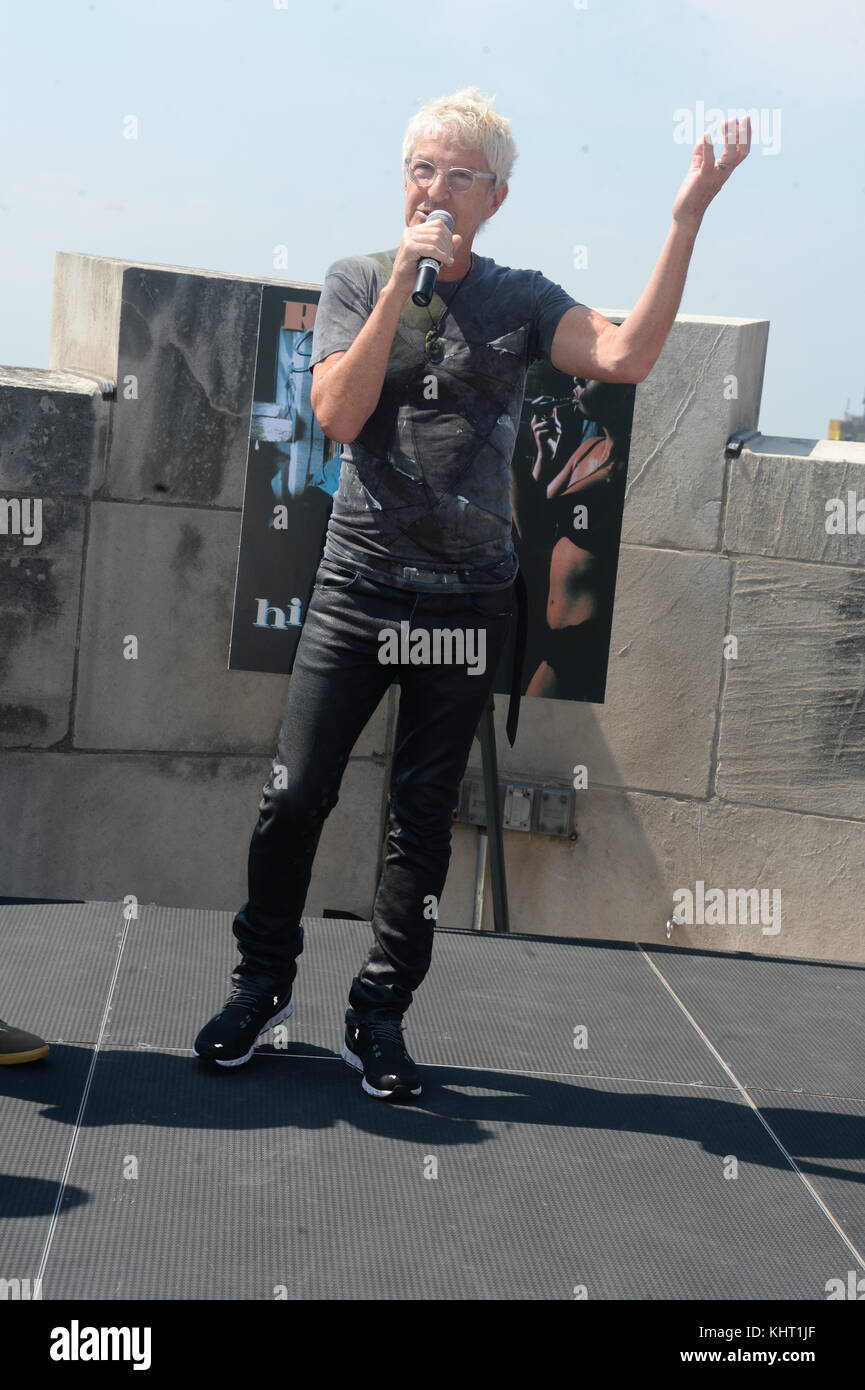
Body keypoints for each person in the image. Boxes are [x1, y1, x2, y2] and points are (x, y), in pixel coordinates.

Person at [194, 88, 750, 1100]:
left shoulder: (521, 297)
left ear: (494, 195)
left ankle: (380, 1013)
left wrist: (684, 219)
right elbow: (336, 410)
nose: (434, 188)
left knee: (418, 818)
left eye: (456, 174)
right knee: (293, 797)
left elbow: (624, 357)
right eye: (419, 168)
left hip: (462, 603)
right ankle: (260, 984)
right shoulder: (359, 278)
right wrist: (408, 278)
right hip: (358, 589)